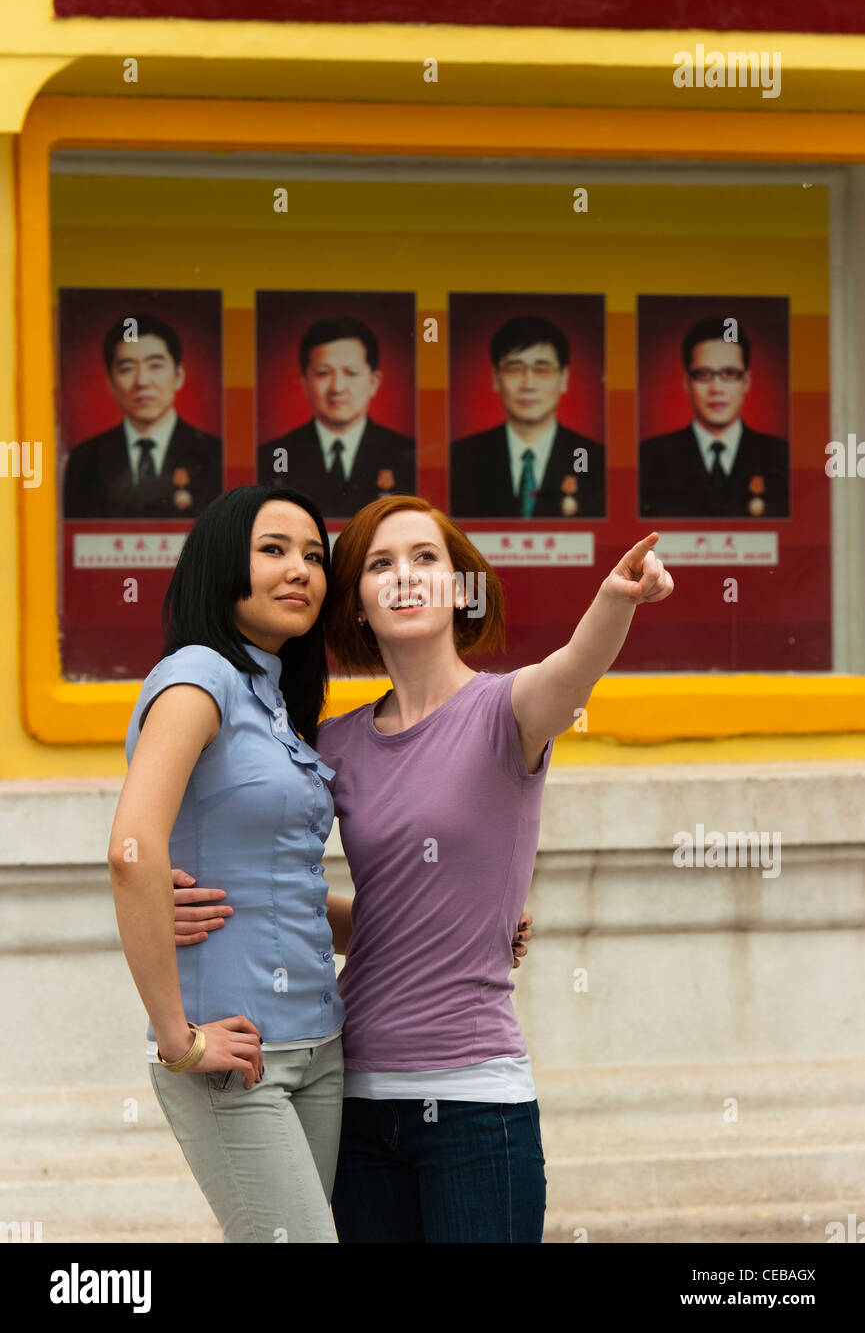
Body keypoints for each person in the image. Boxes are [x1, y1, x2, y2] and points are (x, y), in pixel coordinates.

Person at [174, 494, 674, 1243]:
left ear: (459, 586)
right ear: (357, 604)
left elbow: (575, 670)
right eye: (379, 564)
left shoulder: (508, 711)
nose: (402, 576)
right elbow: (272, 869)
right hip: (351, 1095)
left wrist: (614, 600)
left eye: (424, 559)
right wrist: (188, 904)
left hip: (476, 1105)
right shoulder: (332, 744)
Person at [108, 485, 346, 1242]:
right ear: (222, 565)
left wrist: (467, 920)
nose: (300, 569)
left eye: (314, 556)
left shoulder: (277, 701)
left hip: (320, 1047)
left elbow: (290, 894)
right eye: (273, 550)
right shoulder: (197, 677)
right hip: (232, 1053)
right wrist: (178, 1037)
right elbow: (130, 851)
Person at [64, 313, 223, 519]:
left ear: (178, 376)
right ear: (110, 383)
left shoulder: (215, 455)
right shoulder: (83, 460)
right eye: (127, 368)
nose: (142, 381)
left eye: (155, 365)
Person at [449, 315, 605, 519]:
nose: (528, 384)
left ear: (564, 378)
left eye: (542, 369)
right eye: (515, 369)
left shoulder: (594, 460)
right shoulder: (460, 459)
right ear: (496, 378)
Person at [257, 315, 415, 516]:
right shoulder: (272, 456)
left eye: (351, 373)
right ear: (304, 383)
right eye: (323, 373)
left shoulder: (410, 456)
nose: (337, 387)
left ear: (374, 382)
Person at [639, 316, 789, 518]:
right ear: (686, 382)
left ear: (746, 381)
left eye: (729, 373)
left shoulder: (782, 458)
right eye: (703, 374)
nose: (716, 388)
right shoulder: (648, 459)